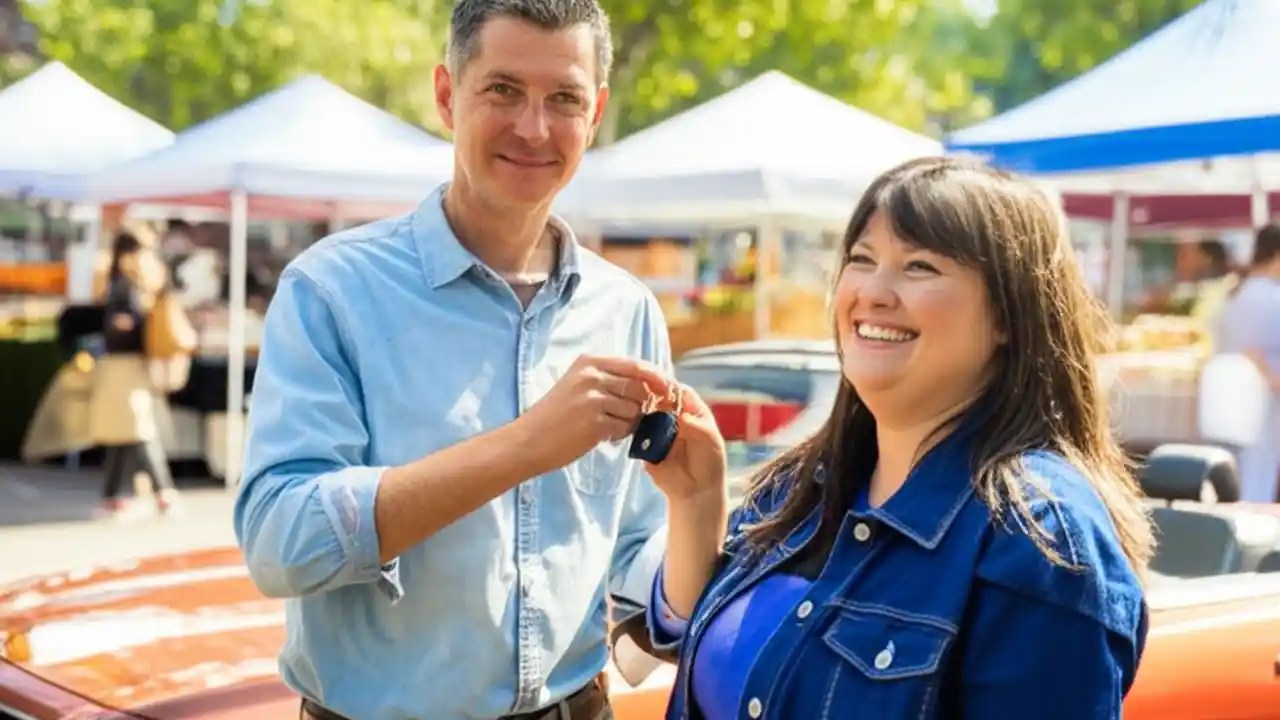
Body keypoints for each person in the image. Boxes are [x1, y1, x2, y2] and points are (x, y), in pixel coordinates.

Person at [233, 2, 705, 719]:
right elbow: (278, 543)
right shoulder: (332, 291)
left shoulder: (626, 309)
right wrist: (522, 447)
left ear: (597, 111)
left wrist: (702, 511)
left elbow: (635, 557)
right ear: (448, 94)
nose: (533, 127)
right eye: (503, 90)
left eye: (565, 99)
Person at [639, 156, 1157, 719]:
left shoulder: (1039, 537)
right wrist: (694, 502)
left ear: (1010, 315)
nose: (873, 292)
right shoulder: (797, 488)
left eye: (919, 267)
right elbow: (697, 642)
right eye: (862, 260)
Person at [89, 231, 181, 515]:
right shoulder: (123, 286)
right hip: (124, 367)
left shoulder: (127, 284)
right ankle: (162, 489)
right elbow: (119, 323)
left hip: (126, 366)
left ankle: (113, 493)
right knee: (140, 430)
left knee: (127, 433)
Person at [1213, 223, 1280, 502]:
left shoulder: (1236, 293)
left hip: (1233, 401)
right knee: (1257, 477)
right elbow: (1253, 352)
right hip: (1261, 403)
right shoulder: (1267, 297)